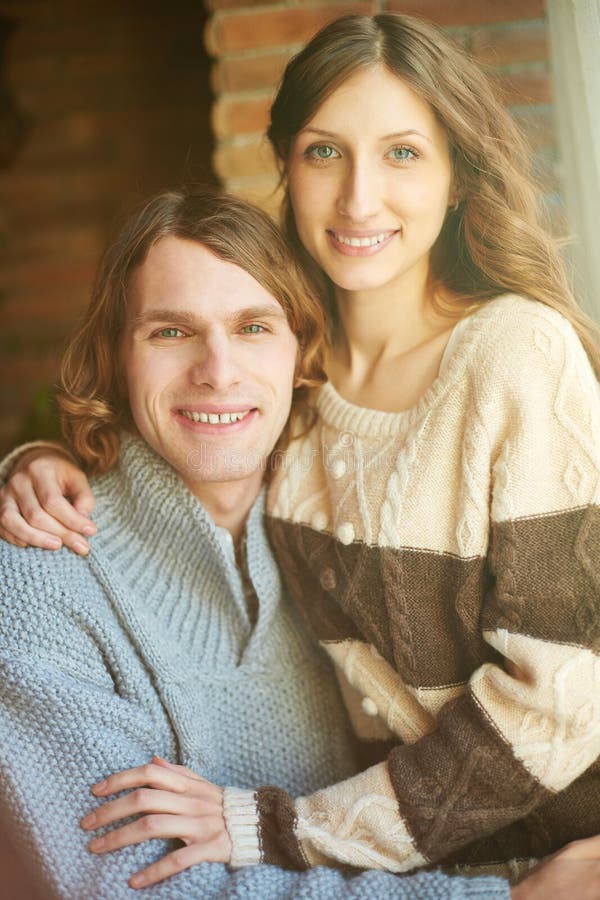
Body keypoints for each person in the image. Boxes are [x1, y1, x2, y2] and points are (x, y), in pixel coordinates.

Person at [3, 12, 600, 898]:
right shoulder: (300, 392)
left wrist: (273, 825)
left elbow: (563, 695)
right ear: (284, 164)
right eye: (326, 152)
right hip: (436, 872)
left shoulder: (515, 355)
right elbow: (186, 433)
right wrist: (40, 458)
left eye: (403, 152)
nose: (359, 200)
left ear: (457, 179)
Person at [1, 185, 514, 899]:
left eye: (252, 327)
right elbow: (135, 887)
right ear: (117, 357)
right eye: (170, 332)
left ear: (301, 350)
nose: (217, 370)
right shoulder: (36, 579)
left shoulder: (350, 537)